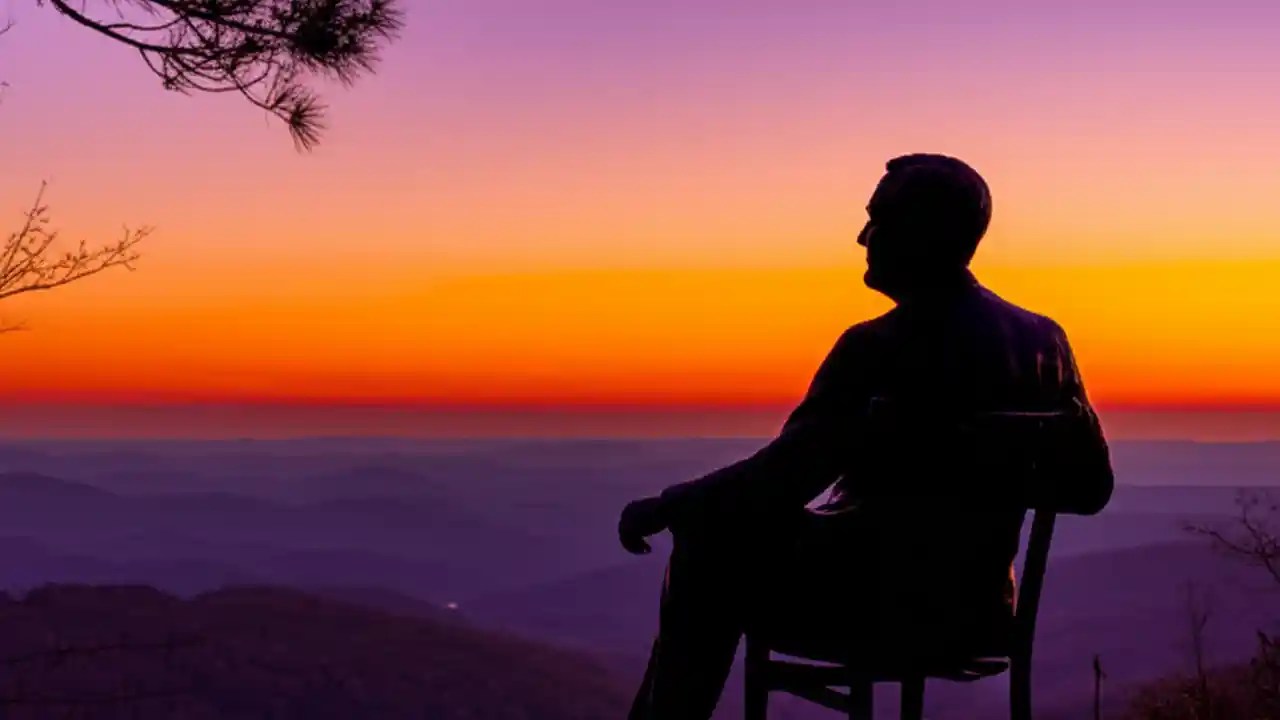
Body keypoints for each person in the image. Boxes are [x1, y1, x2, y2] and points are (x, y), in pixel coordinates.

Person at [619, 154, 1115, 720]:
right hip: (978, 613)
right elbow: (1090, 487)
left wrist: (668, 506)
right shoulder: (1044, 343)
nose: (862, 236)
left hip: (875, 606)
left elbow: (783, 478)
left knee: (709, 546)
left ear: (924, 232)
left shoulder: (878, 346)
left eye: (879, 219)